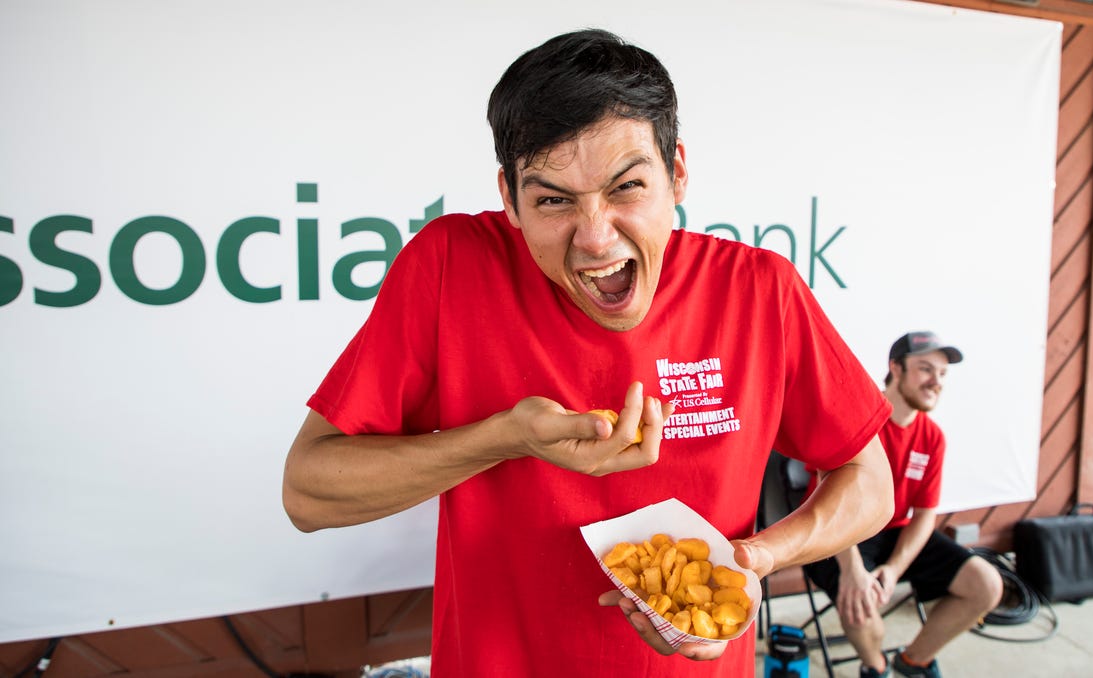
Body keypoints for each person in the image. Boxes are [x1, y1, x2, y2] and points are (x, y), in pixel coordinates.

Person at [282, 29, 895, 678]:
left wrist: (755, 559)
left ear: (677, 172)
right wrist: (505, 438)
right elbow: (309, 494)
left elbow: (871, 484)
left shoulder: (759, 289)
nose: (596, 239)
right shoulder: (450, 265)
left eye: (626, 187)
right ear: (509, 200)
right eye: (553, 200)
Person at [802, 331, 1004, 678]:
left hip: (893, 535)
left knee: (987, 585)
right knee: (863, 610)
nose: (935, 382)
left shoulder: (932, 436)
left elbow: (925, 516)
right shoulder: (858, 417)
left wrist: (894, 570)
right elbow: (827, 502)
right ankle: (875, 668)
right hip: (838, 535)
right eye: (925, 369)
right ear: (895, 367)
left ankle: (914, 662)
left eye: (942, 374)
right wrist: (852, 571)